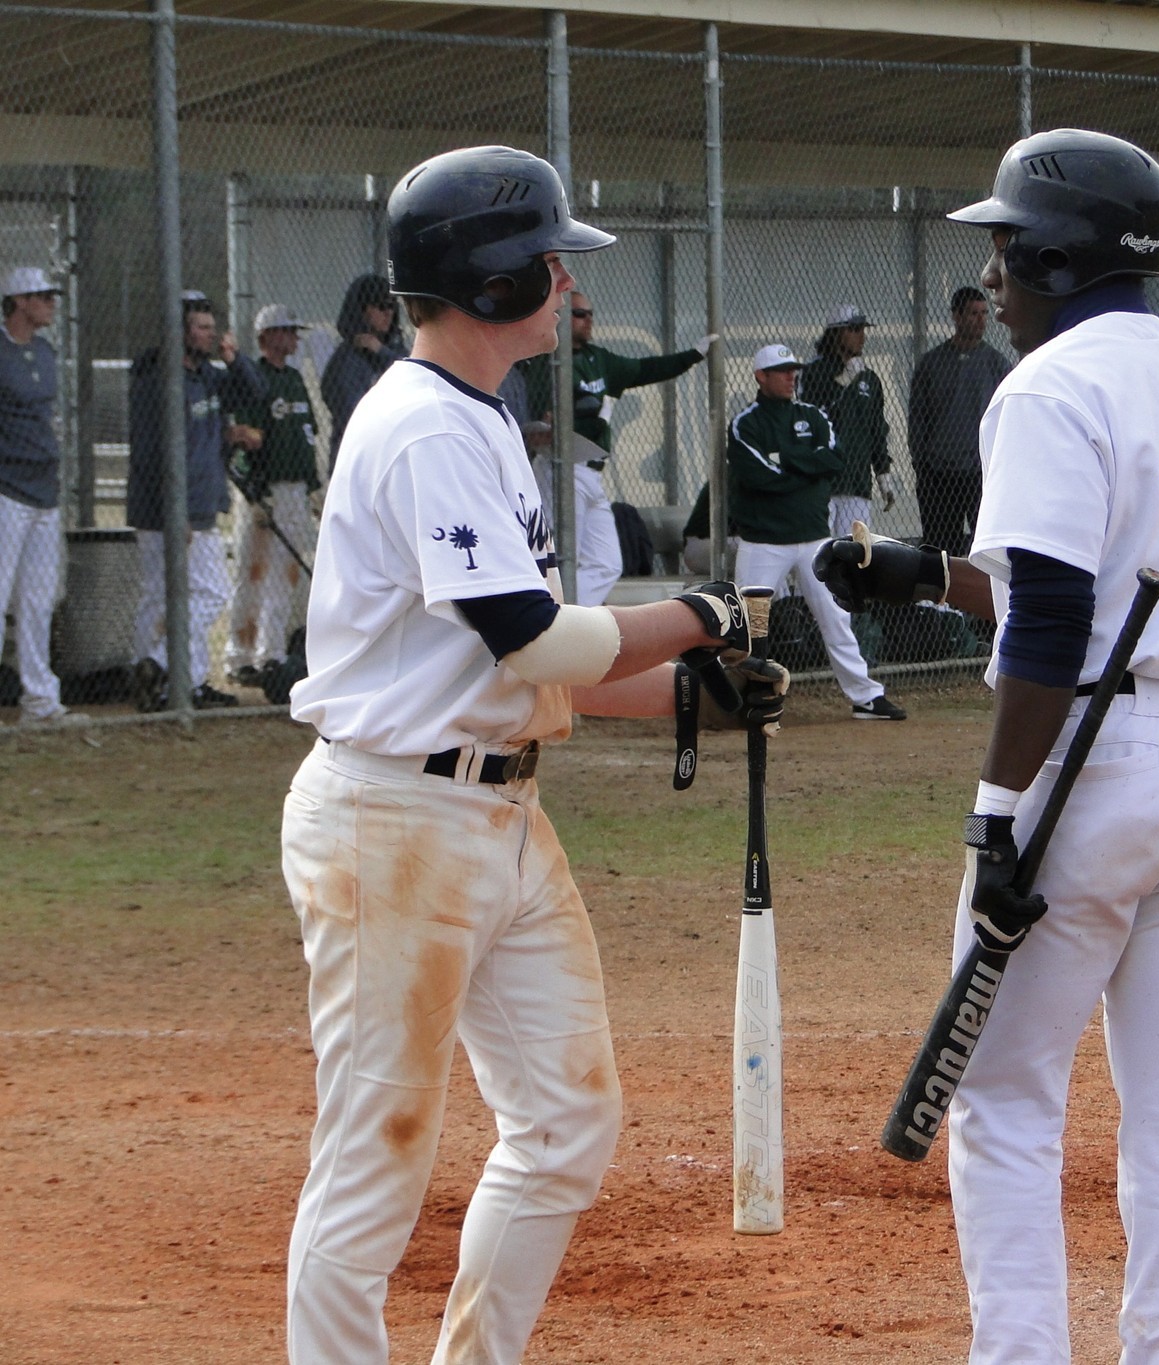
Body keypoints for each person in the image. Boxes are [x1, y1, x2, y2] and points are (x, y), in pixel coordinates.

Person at [279, 144, 785, 1365]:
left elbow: (527, 664)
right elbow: (534, 637)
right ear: (493, 282)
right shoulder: (423, 427)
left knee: (566, 1125)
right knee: (373, 1164)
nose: (567, 284)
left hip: (496, 816)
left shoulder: (484, 418)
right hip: (395, 824)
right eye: (550, 264)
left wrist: (692, 698)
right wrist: (702, 615)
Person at [813, 128, 1159, 1364]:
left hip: (1096, 767)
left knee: (1002, 1098)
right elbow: (1103, 591)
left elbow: (1062, 619)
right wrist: (928, 574)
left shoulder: (1048, 385)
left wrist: (996, 807)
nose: (993, 277)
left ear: (1058, 257)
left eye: (1008, 249)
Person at [730, 341, 905, 720]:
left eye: (793, 370)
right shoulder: (747, 423)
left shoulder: (814, 415)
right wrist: (807, 469)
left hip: (813, 538)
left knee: (836, 617)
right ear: (760, 376)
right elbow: (758, 476)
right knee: (747, 624)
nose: (791, 376)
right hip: (764, 541)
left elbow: (835, 460)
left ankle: (866, 697)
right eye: (781, 371)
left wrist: (785, 460)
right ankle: (739, 698)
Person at [516, 290, 715, 605]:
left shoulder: (599, 359)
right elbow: (541, 419)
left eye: (590, 314)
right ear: (561, 318)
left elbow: (646, 369)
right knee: (560, 557)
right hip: (559, 467)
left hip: (591, 471)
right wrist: (576, 420)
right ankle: (547, 618)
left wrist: (693, 356)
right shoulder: (546, 362)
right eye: (579, 314)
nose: (588, 320)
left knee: (607, 562)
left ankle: (567, 616)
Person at [127, 289, 264, 711]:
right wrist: (175, 511)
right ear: (180, 332)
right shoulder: (157, 379)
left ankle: (174, 679)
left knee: (193, 595)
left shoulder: (206, 375)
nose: (210, 335)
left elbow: (253, 393)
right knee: (183, 595)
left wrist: (233, 359)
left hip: (199, 504)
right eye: (201, 328)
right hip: (166, 510)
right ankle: (158, 669)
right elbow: (152, 452)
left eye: (211, 327)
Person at [0, 266, 83, 727]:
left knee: (38, 599)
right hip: (7, 489)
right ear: (19, 302)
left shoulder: (46, 351)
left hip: (44, 490)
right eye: (42, 297)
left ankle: (40, 702)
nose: (51, 304)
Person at [224, 303, 319, 690]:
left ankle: (271, 655)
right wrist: (254, 494)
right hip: (264, 492)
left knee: (285, 575)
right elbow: (242, 442)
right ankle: (239, 656)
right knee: (252, 572)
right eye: (288, 331)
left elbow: (306, 436)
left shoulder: (294, 379)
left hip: (295, 489)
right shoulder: (255, 378)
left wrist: (313, 487)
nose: (295, 338)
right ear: (268, 337)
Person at [908, 285, 1012, 555]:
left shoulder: (996, 364)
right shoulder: (932, 363)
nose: (981, 320)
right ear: (957, 316)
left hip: (980, 472)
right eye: (973, 313)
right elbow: (918, 418)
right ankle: (938, 585)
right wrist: (923, 465)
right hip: (939, 473)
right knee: (940, 547)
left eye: (984, 313)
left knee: (987, 545)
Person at [798, 304, 897, 536]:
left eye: (862, 329)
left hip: (857, 483)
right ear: (835, 333)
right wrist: (844, 379)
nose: (861, 336)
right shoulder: (812, 371)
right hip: (823, 483)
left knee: (855, 548)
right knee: (822, 547)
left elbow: (876, 430)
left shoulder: (869, 378)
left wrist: (883, 474)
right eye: (853, 329)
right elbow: (811, 413)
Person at [321, 272, 406, 473]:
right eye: (381, 306)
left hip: (391, 458)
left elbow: (416, 377)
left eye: (392, 306)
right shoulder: (348, 359)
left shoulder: (391, 350)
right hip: (357, 463)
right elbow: (354, 415)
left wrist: (380, 351)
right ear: (362, 311)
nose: (389, 313)